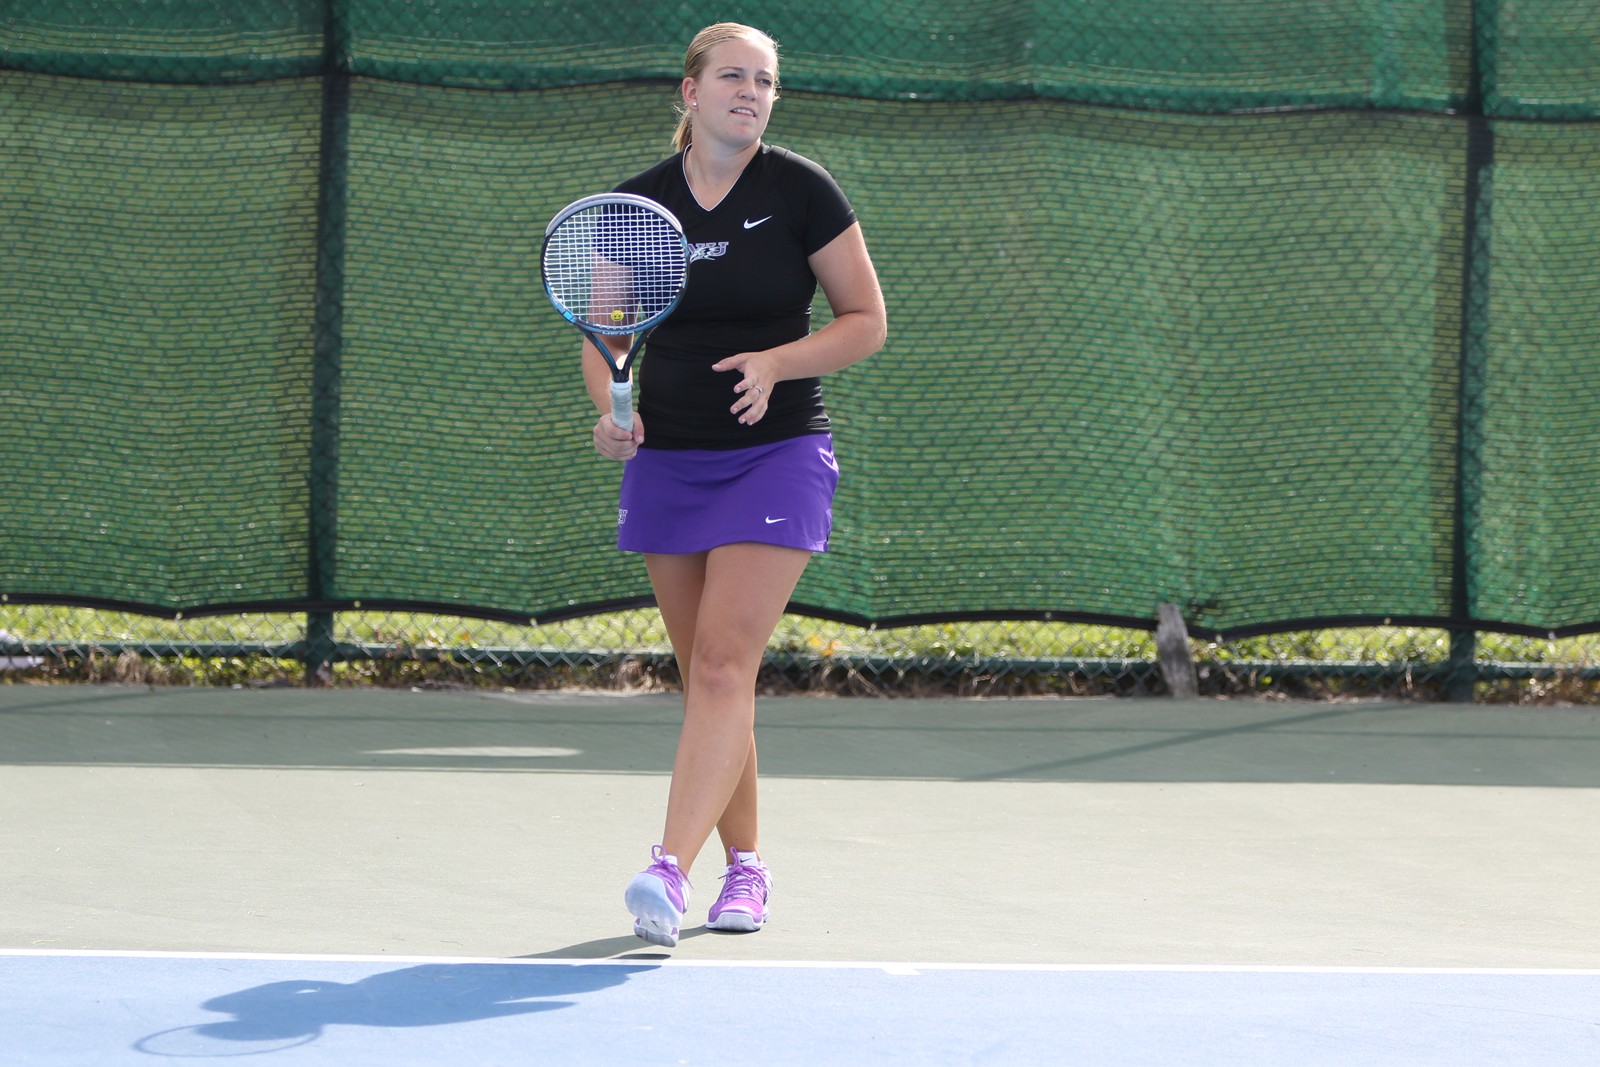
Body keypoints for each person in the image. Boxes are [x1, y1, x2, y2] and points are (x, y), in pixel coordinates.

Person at [580, 22, 886, 947]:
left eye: (766, 81)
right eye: (733, 77)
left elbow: (866, 319)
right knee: (715, 679)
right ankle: (746, 867)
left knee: (721, 663)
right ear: (690, 92)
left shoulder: (801, 191)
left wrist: (779, 362)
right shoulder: (638, 207)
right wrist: (614, 412)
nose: (751, 92)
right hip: (669, 458)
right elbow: (606, 343)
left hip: (778, 453)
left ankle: (666, 871)